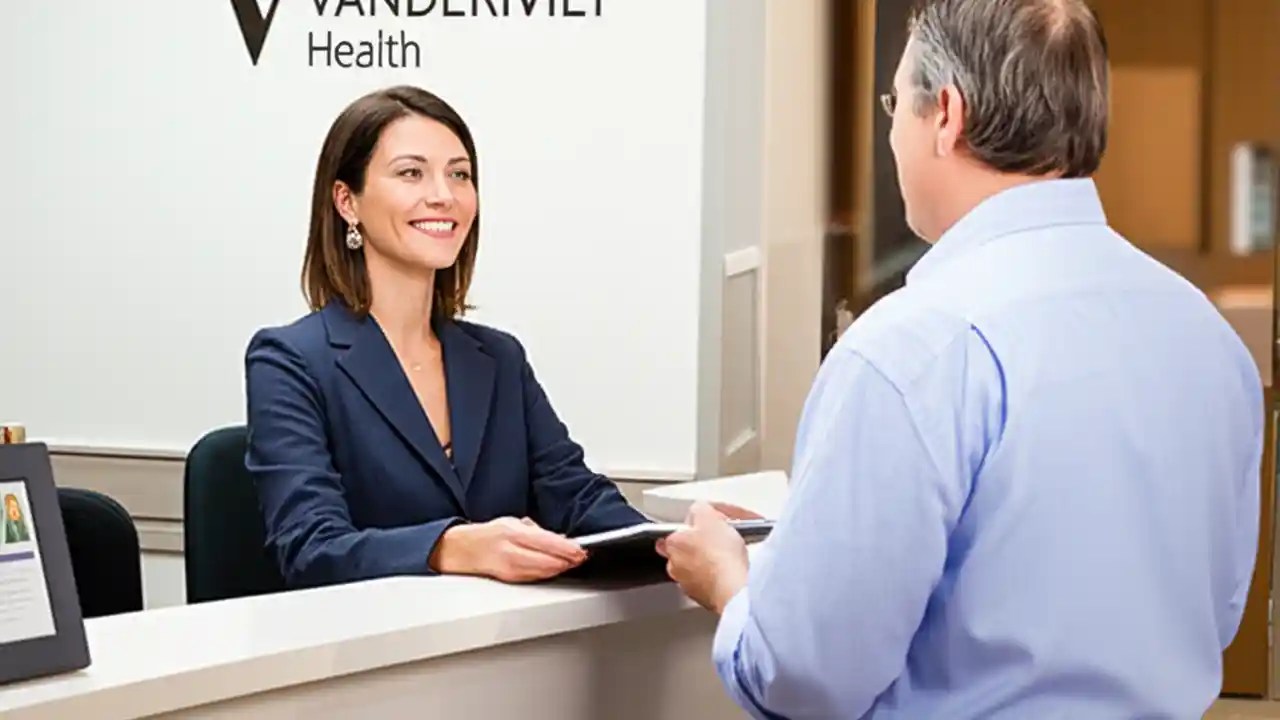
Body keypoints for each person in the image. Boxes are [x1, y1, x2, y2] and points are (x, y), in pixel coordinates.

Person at [657, 0, 1264, 717]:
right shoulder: (1205, 334)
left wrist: (731, 584)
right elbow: (1216, 613)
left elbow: (807, 675)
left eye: (894, 103)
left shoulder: (912, 350)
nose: (891, 131)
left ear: (946, 114)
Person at [244, 86, 649, 590]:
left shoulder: (499, 357)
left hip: (505, 645)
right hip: (373, 652)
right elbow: (312, 549)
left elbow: (576, 496)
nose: (444, 194)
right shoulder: (289, 361)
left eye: (459, 174)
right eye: (411, 173)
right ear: (347, 201)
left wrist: (671, 543)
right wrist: (450, 546)